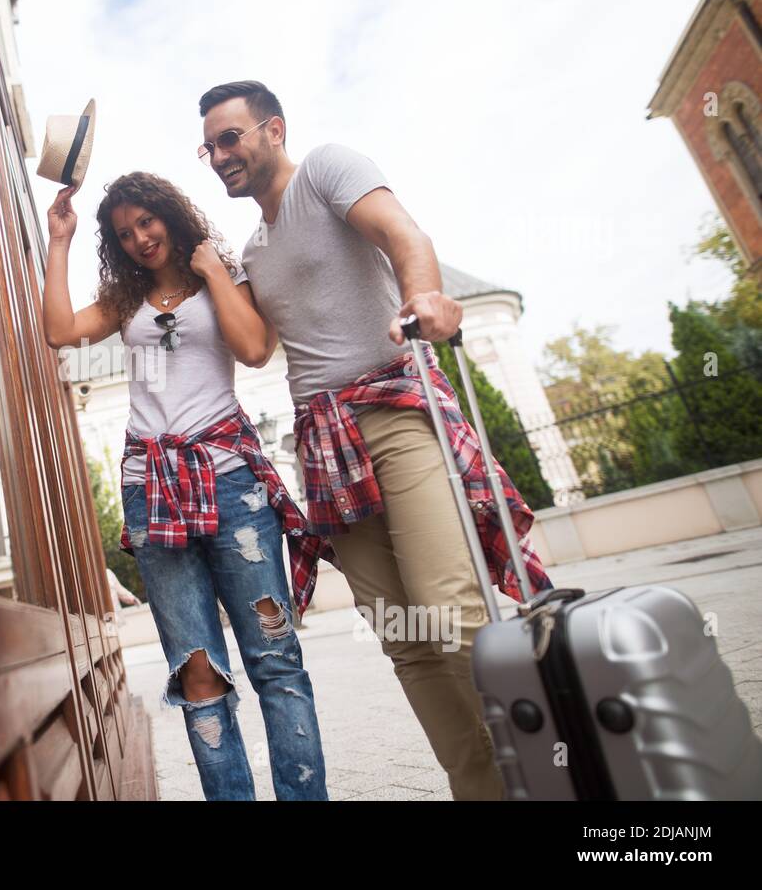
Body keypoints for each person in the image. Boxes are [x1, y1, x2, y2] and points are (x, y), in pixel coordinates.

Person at [197, 80, 554, 800]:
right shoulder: (254, 248)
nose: (218, 154)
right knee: (406, 637)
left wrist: (422, 295)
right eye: (208, 146)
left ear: (274, 129)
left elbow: (404, 235)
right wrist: (209, 270)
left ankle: (543, 779)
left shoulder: (328, 168)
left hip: (393, 410)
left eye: (230, 137)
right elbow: (260, 349)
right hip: (324, 444)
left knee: (450, 609)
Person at [42, 171, 328, 801]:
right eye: (125, 232)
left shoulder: (225, 280)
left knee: (276, 664)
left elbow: (254, 349)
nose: (141, 238)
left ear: (171, 216)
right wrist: (59, 240)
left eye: (148, 221)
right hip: (153, 485)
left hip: (231, 483)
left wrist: (218, 274)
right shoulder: (126, 301)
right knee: (198, 672)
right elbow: (61, 331)